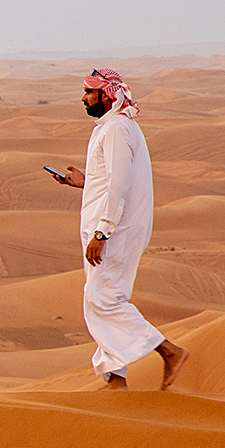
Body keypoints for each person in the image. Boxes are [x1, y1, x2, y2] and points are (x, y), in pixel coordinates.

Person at [51, 68, 188, 390]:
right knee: (98, 298)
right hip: (109, 225)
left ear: (107, 94)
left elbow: (121, 186)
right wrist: (86, 182)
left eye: (88, 92)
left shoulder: (116, 129)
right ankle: (115, 379)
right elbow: (111, 180)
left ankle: (168, 352)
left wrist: (103, 232)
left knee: (104, 299)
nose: (83, 98)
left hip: (116, 230)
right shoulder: (111, 127)